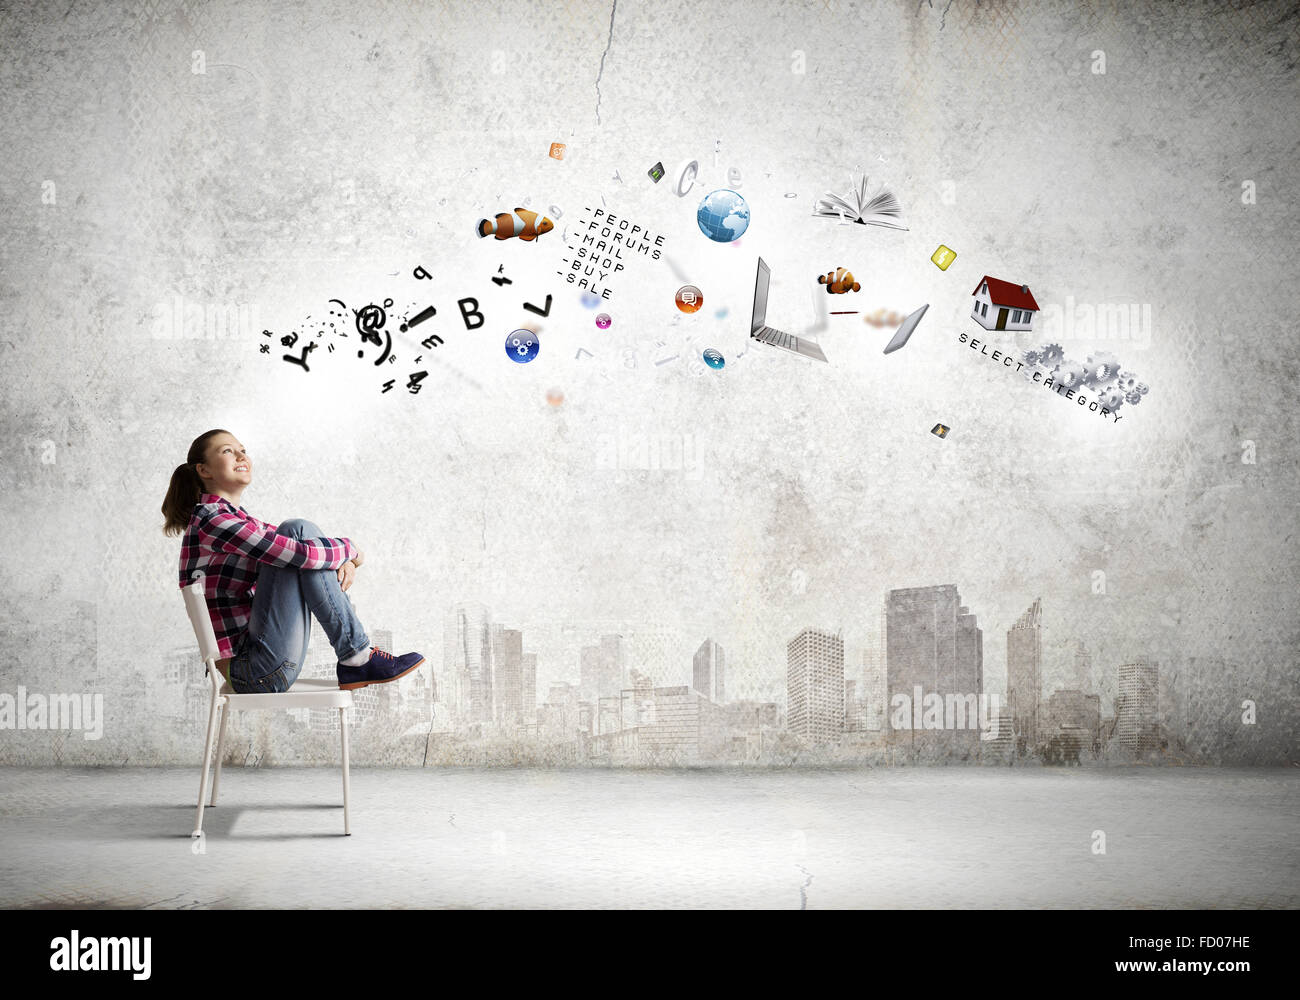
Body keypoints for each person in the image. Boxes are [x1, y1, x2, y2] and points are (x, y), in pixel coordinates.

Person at [161, 428, 425, 694]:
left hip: (259, 664)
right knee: (298, 530)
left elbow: (301, 550)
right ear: (204, 470)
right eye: (228, 450)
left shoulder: (237, 520)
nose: (241, 455)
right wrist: (351, 550)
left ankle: (356, 656)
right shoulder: (213, 520)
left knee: (298, 534)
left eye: (243, 449)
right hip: (254, 672)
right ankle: (357, 656)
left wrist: (343, 560)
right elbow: (304, 554)